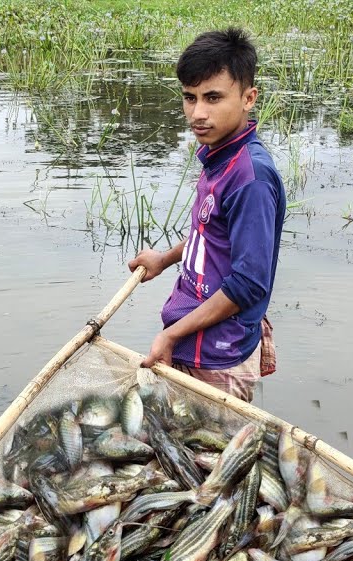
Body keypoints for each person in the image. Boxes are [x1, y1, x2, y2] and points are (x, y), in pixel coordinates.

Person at [127, 27, 285, 403]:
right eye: (190, 97)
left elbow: (248, 284)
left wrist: (171, 334)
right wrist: (164, 259)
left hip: (219, 358)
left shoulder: (251, 178)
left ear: (248, 98)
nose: (198, 113)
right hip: (193, 338)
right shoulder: (219, 156)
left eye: (213, 98)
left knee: (208, 443)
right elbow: (210, 235)